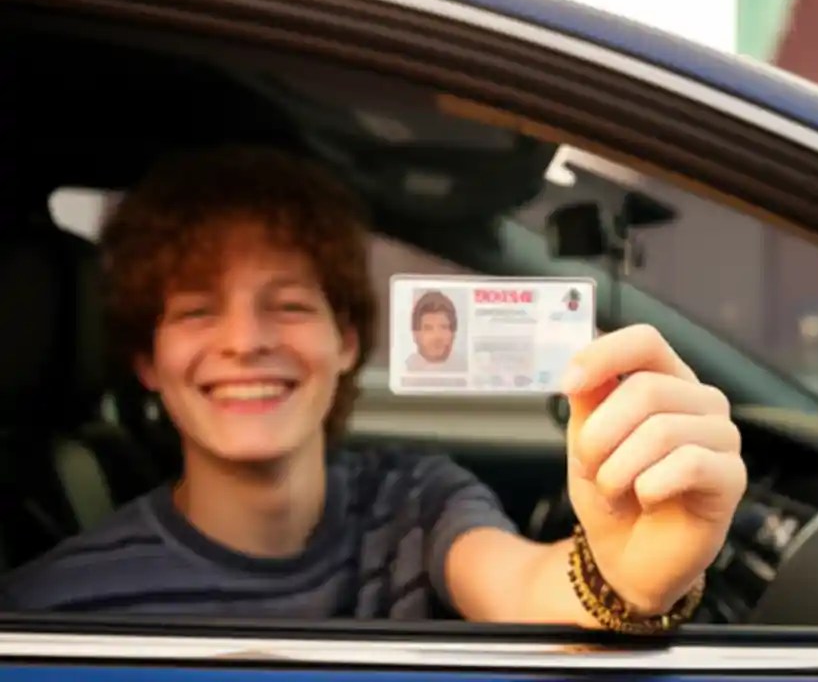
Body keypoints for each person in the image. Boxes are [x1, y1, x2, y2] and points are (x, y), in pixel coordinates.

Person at [0, 145, 746, 627]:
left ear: (346, 339)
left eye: (289, 304)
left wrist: (626, 573)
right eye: (197, 310)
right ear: (147, 361)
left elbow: (524, 587)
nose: (246, 340)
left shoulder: (414, 501)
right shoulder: (50, 609)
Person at [405, 289, 465, 373]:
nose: (437, 336)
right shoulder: (404, 369)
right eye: (428, 328)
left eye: (443, 327)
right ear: (415, 334)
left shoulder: (465, 367)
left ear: (453, 333)